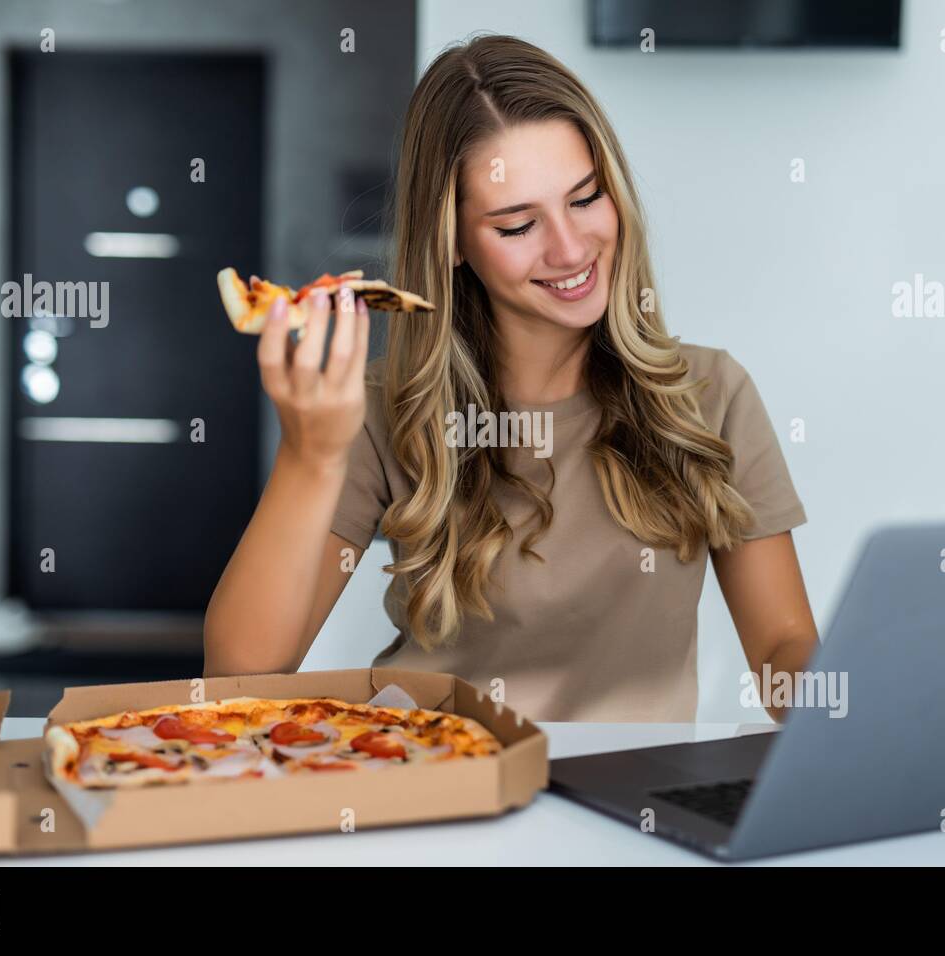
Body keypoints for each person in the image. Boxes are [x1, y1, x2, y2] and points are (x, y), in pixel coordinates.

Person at [204, 34, 818, 723]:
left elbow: (783, 646)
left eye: (585, 199)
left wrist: (859, 699)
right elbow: (239, 673)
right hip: (440, 786)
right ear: (455, 244)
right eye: (518, 223)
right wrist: (309, 455)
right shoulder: (380, 410)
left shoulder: (711, 394)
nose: (569, 247)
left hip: (636, 807)